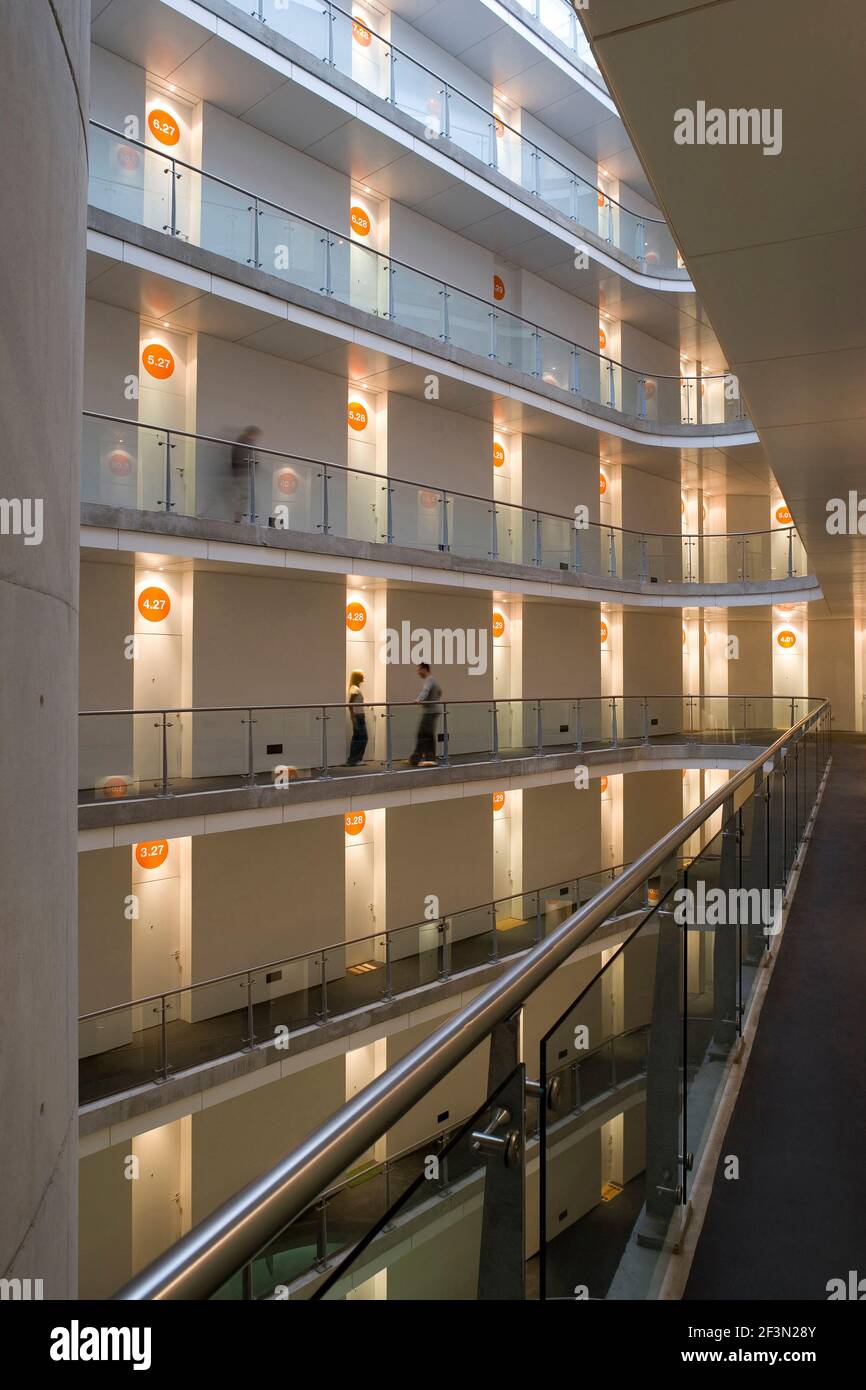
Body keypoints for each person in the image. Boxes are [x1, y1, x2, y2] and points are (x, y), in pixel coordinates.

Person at [409, 663, 442, 767]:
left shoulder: (429, 680)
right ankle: (427, 758)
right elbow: (440, 692)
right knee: (428, 735)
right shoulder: (433, 680)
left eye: (419, 670)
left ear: (424, 669)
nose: (418, 672)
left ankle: (417, 758)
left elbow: (426, 690)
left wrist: (419, 700)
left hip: (430, 711)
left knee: (422, 734)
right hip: (432, 710)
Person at [230, 426, 262, 523]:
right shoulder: (244, 443)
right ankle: (237, 518)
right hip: (242, 473)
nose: (256, 438)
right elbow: (243, 458)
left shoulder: (243, 442)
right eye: (255, 435)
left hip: (244, 473)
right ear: (251, 434)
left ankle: (238, 517)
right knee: (243, 496)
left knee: (244, 496)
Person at [346, 669, 368, 767]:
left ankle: (353, 759)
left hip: (358, 715)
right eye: (362, 675)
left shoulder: (354, 688)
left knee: (357, 737)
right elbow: (350, 703)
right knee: (362, 737)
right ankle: (356, 759)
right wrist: (352, 715)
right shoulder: (355, 688)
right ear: (357, 677)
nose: (363, 677)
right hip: (358, 716)